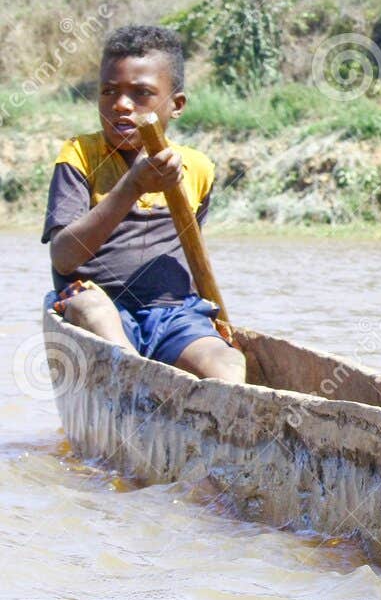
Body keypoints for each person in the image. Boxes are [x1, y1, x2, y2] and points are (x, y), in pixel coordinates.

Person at [43, 25, 245, 383]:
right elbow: (64, 257)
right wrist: (132, 186)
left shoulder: (195, 167)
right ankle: (135, 380)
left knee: (228, 366)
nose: (121, 105)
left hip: (171, 315)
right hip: (98, 305)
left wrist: (211, 324)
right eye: (109, 92)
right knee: (94, 312)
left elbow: (191, 256)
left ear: (176, 105)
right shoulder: (80, 156)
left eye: (141, 94)